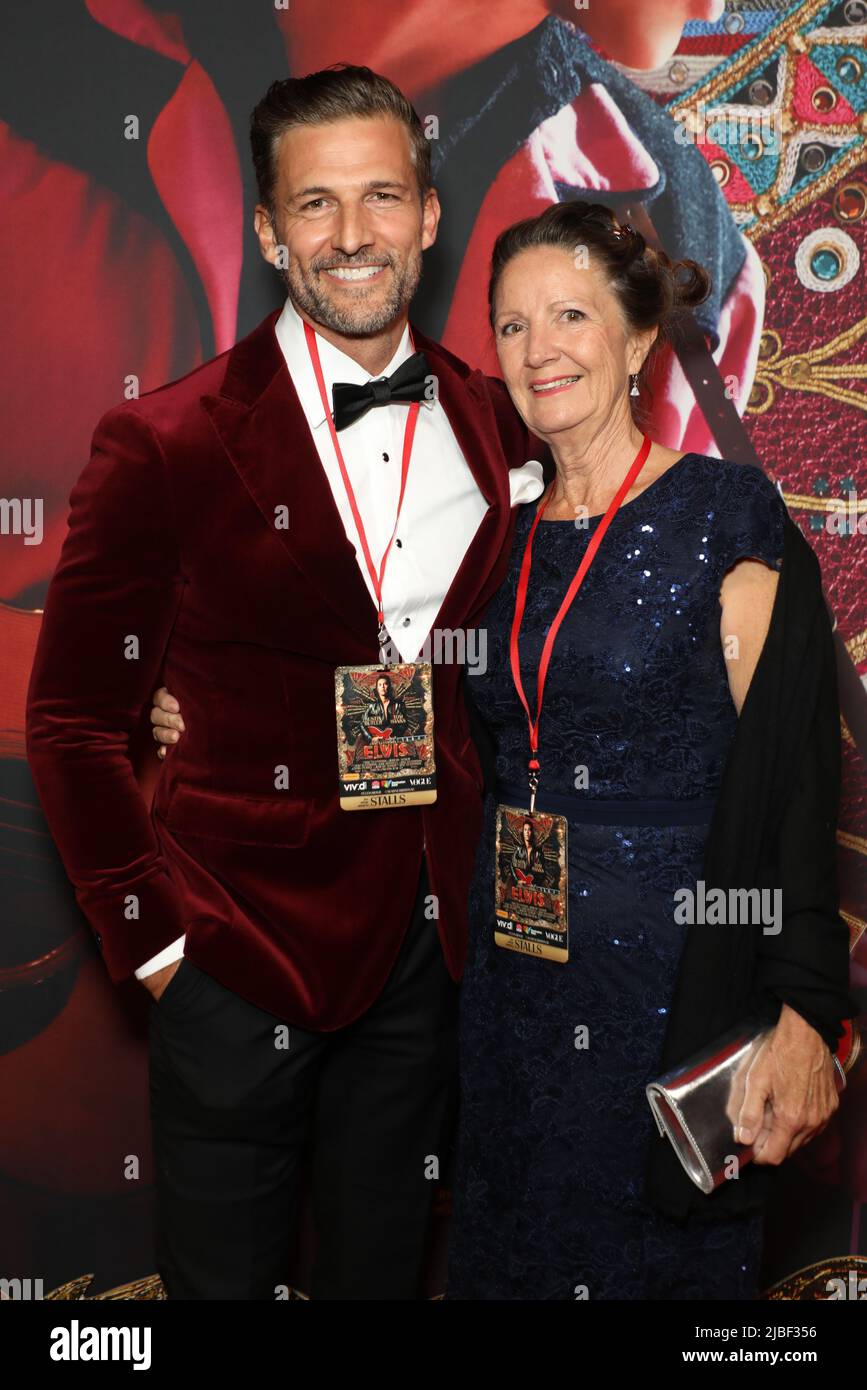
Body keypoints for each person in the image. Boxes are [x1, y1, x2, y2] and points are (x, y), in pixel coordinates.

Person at [154, 200, 854, 1300]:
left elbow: (796, 787)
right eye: (514, 327)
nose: (540, 349)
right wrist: (198, 707)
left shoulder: (729, 517)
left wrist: (809, 1011)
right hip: (510, 992)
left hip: (672, 981)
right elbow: (396, 703)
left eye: (571, 315)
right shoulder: (498, 533)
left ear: (635, 343)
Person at [25, 65, 542, 1301]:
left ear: (429, 213)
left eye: (380, 197)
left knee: (384, 1274)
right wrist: (154, 948)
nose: (351, 236)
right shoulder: (167, 438)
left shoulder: (501, 422)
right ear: (267, 231)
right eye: (315, 205)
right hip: (235, 943)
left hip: (429, 950)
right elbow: (72, 721)